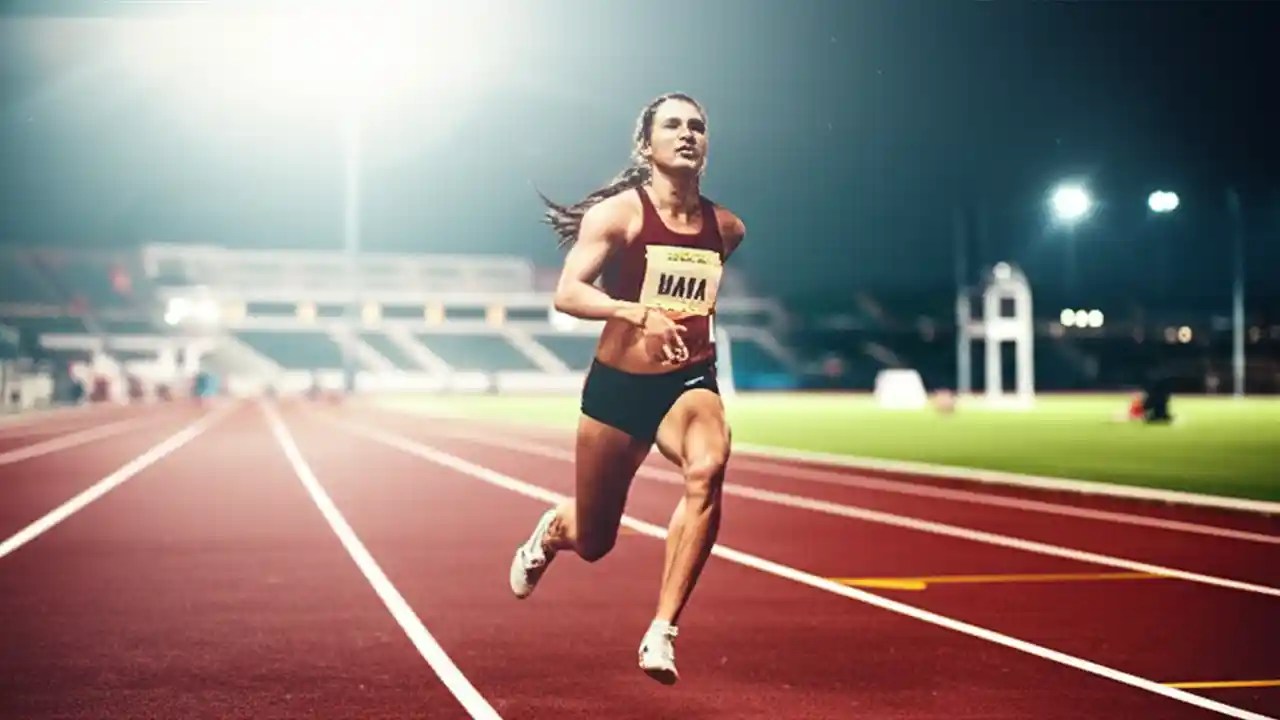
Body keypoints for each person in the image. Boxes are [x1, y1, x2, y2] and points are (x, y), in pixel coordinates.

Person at [509, 92, 746, 685]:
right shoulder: (619, 216)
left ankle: (662, 630)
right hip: (618, 390)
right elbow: (568, 293)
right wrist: (637, 314)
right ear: (647, 144)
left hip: (689, 381)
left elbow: (701, 300)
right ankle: (554, 529)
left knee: (709, 465)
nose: (687, 133)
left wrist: (685, 336)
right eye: (672, 125)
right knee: (595, 540)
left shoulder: (727, 228)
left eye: (698, 125)